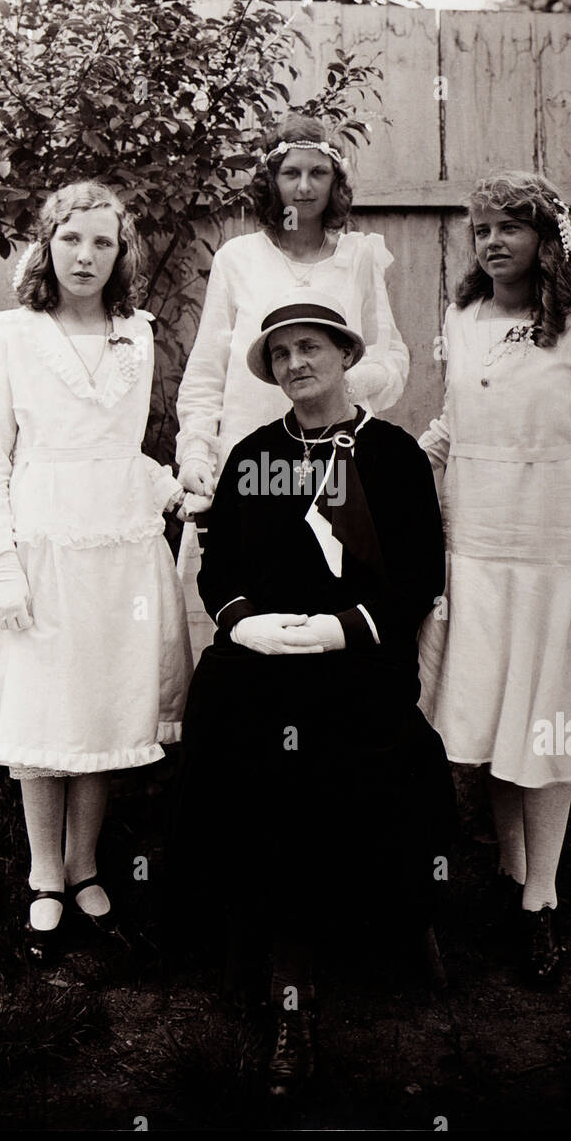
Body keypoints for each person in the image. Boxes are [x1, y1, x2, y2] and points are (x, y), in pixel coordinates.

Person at [171, 293, 458, 1097]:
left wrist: (342, 630)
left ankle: (390, 926)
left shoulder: (393, 455)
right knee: (246, 737)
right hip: (263, 659)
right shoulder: (254, 454)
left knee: (352, 750)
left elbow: (417, 577)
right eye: (281, 355)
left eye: (311, 348)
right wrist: (243, 625)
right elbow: (219, 565)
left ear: (342, 355)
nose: (296, 365)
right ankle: (285, 985)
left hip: (356, 660)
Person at [0, 181, 193, 964]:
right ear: (45, 245)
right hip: (41, 546)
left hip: (119, 549)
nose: (85, 256)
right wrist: (4, 560)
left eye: (102, 243)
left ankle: (87, 865)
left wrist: (173, 490)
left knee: (101, 706)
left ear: (121, 255)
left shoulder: (137, 334)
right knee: (42, 708)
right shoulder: (16, 336)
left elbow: (121, 452)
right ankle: (44, 874)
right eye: (71, 240)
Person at [417, 171, 571, 986]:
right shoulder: (463, 318)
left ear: (547, 240)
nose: (493, 242)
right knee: (494, 729)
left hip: (552, 559)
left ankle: (541, 901)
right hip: (474, 551)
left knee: (544, 730)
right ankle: (511, 881)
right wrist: (399, 460)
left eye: (511, 227)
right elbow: (452, 424)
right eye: (480, 229)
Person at [174, 112, 410, 657]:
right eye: (290, 173)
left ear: (336, 182)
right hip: (251, 466)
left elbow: (391, 356)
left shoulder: (358, 259)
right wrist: (196, 455)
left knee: (329, 602)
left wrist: (336, 387)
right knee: (243, 611)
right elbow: (207, 372)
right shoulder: (238, 259)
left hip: (334, 461)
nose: (304, 188)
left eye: (318, 174)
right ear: (270, 181)